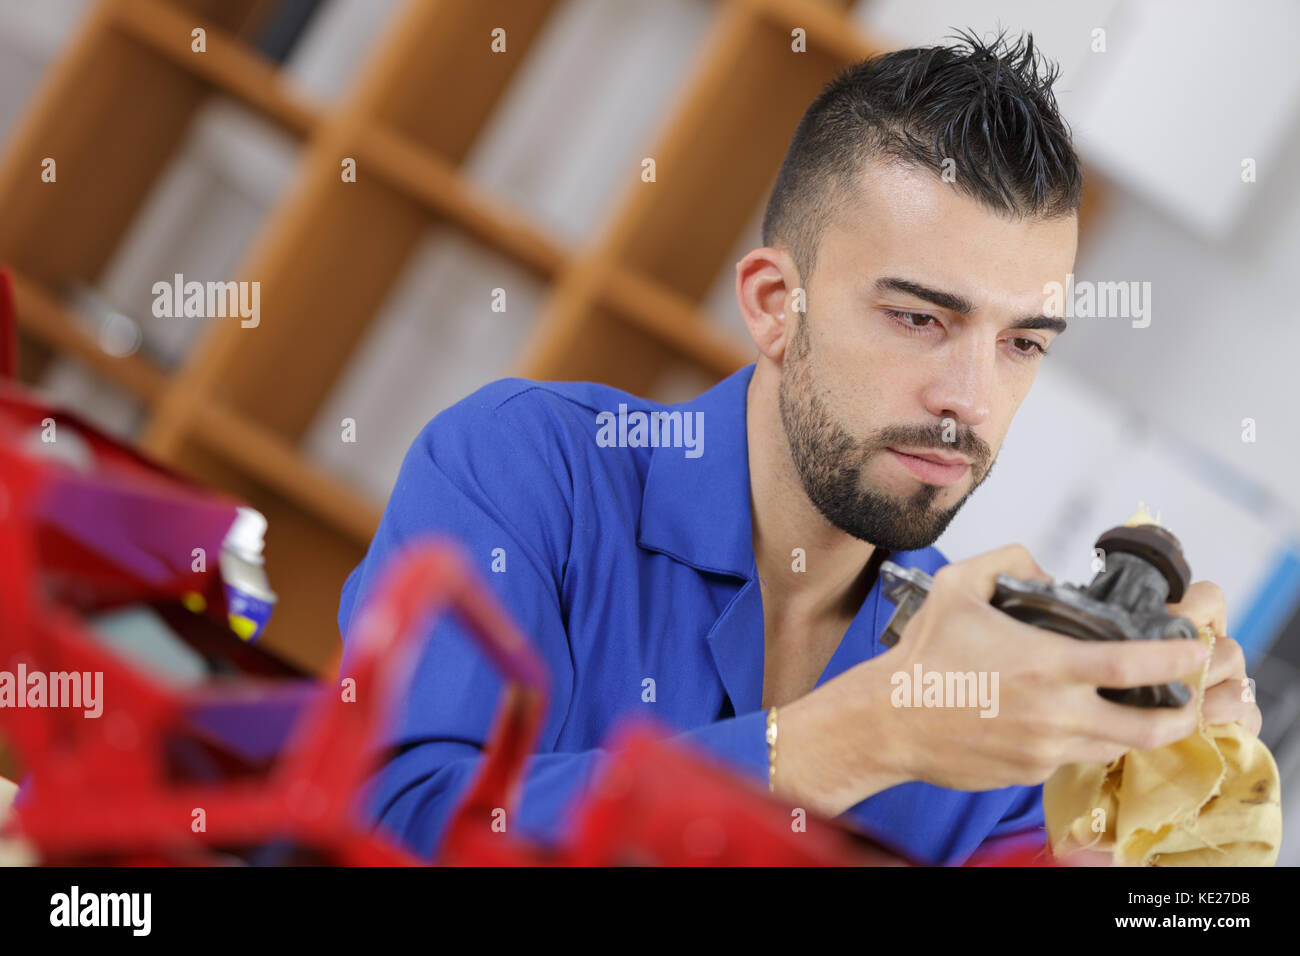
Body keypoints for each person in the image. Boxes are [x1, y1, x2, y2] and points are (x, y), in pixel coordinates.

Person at [337, 30, 1259, 864]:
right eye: (917, 317)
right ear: (777, 306)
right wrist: (859, 738)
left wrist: (1157, 836)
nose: (970, 401)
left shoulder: (999, 687)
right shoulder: (526, 467)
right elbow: (385, 821)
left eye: (1021, 343)